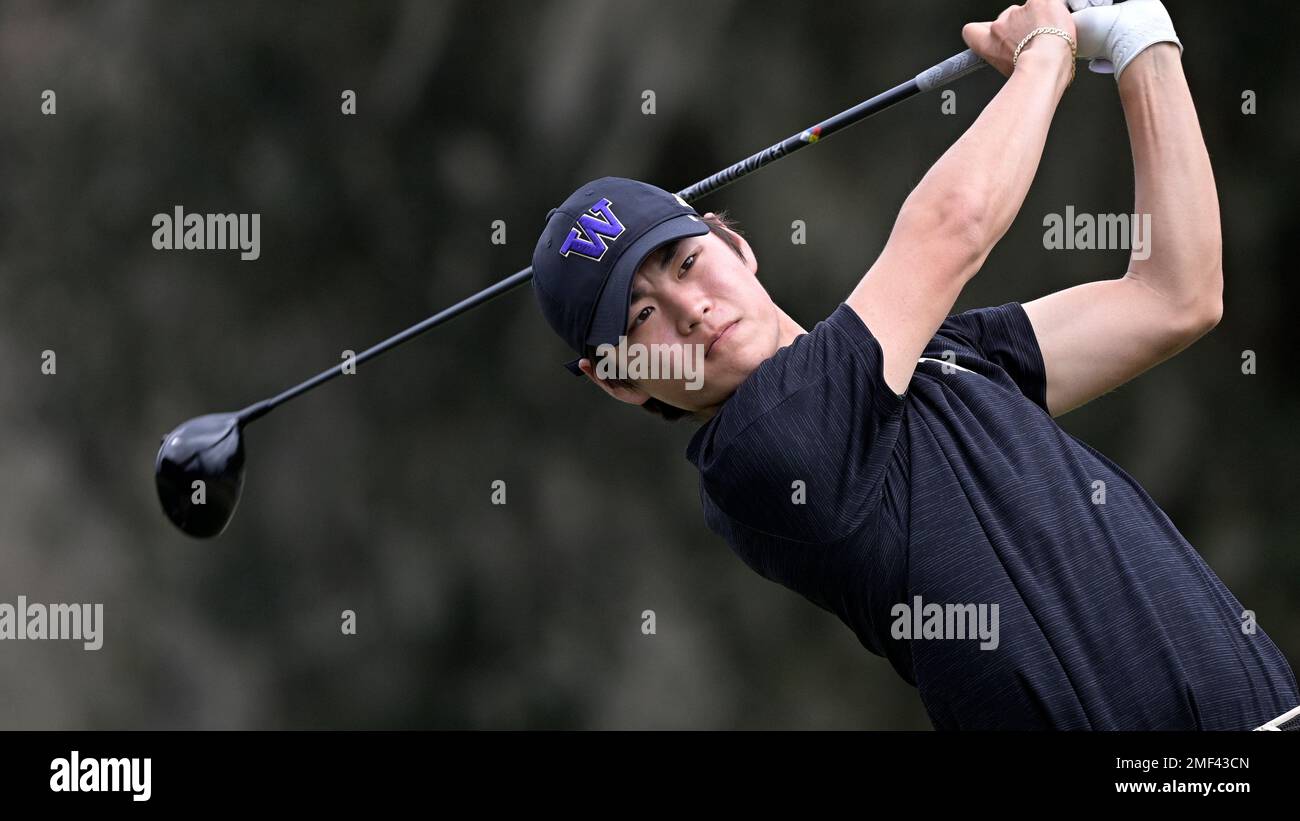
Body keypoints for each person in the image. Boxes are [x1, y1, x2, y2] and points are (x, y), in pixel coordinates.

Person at [529, 0, 1299, 729]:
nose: (688, 308)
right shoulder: (761, 451)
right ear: (618, 379)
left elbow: (1176, 295)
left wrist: (1142, 42)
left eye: (687, 260)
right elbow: (949, 229)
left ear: (737, 245)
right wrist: (1046, 54)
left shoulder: (943, 361)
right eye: (640, 316)